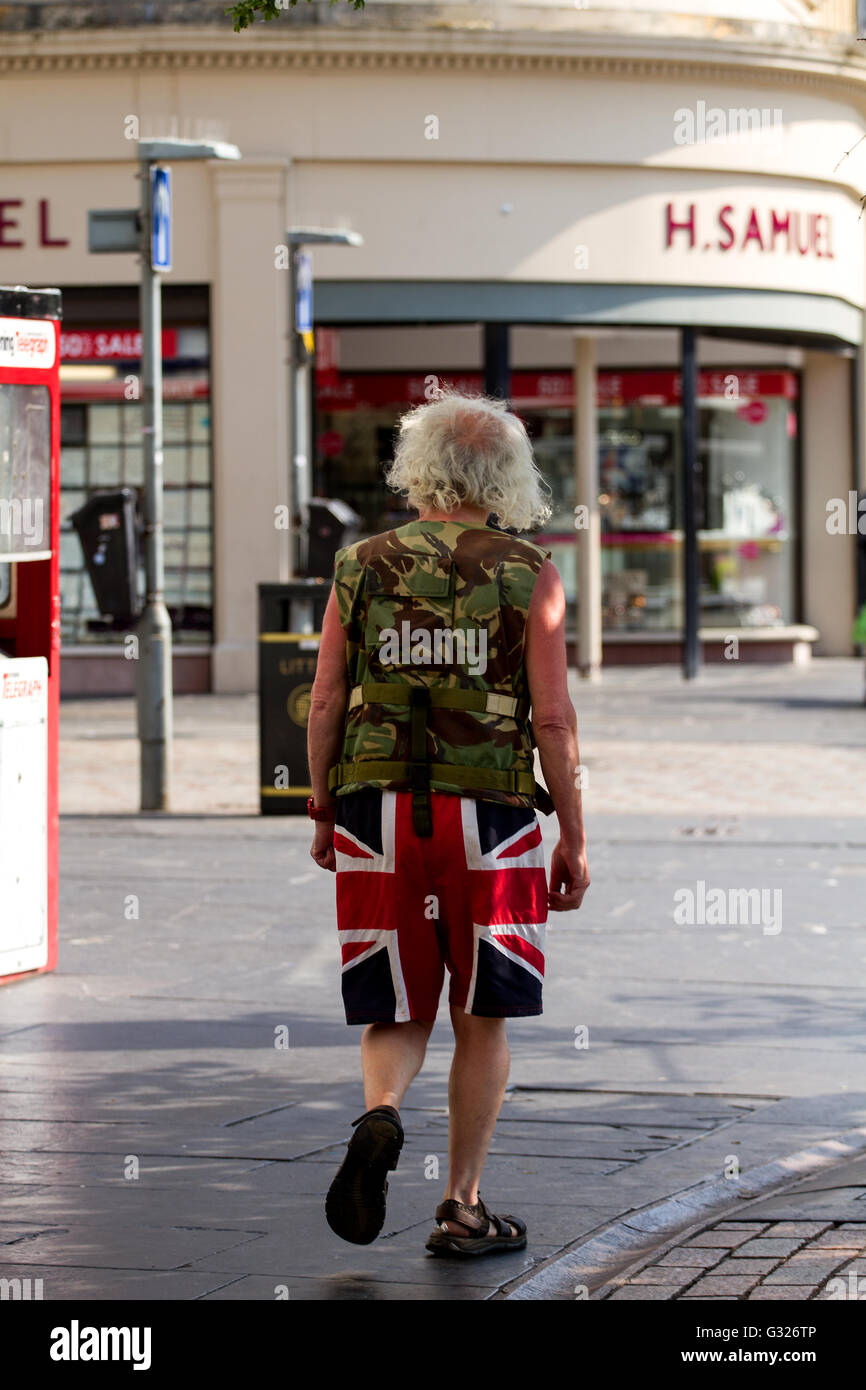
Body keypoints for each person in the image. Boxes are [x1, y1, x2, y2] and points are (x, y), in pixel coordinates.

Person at [306, 389, 590, 1258]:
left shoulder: (359, 564)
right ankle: (462, 1205)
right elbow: (552, 718)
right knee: (482, 1013)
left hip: (376, 808)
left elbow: (323, 700)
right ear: (505, 473)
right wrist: (573, 834)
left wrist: (324, 806)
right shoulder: (528, 571)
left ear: (418, 465)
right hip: (491, 819)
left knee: (395, 1004)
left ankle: (381, 1114)